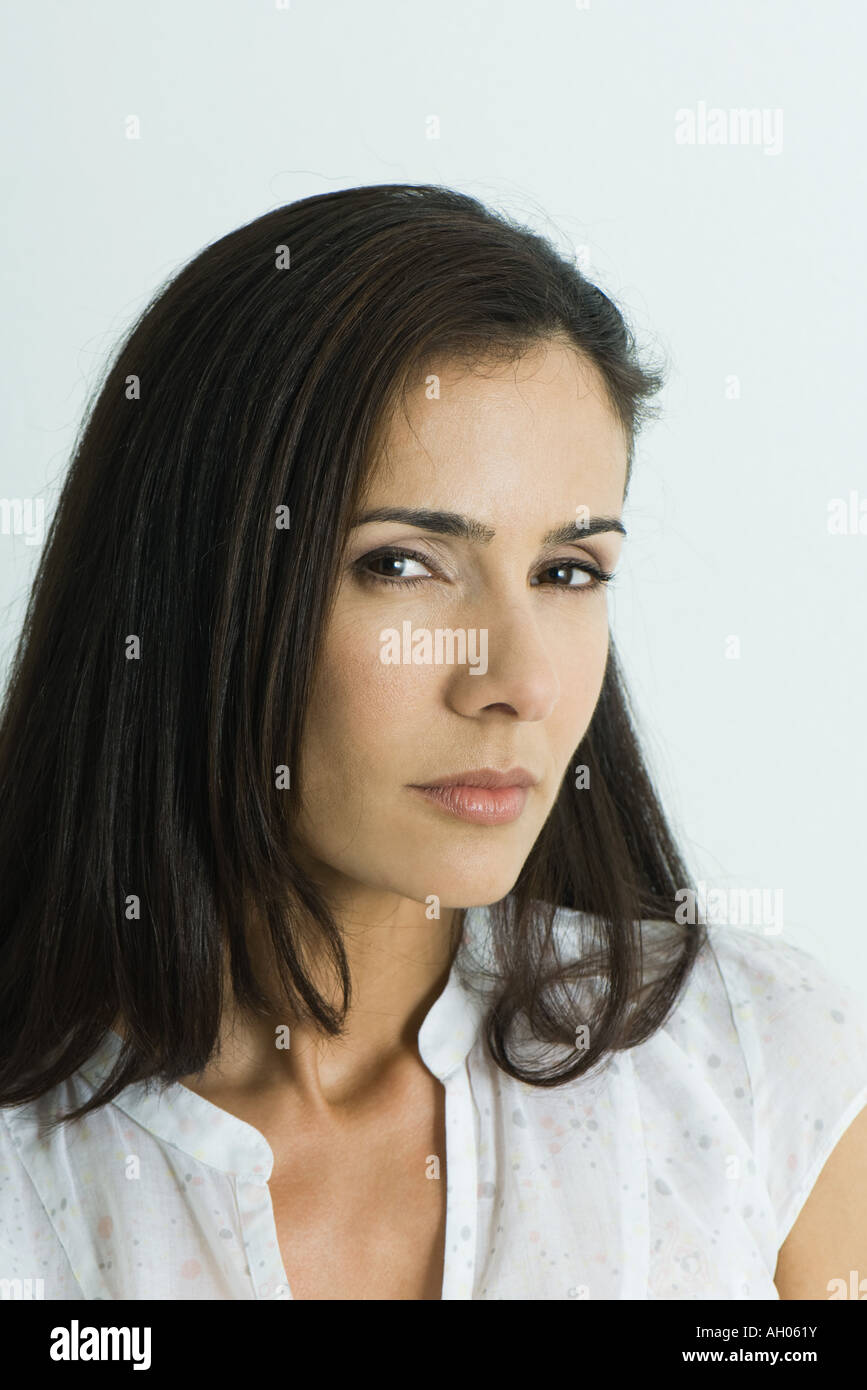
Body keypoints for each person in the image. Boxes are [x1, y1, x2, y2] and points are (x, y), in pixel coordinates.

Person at [1, 185, 865, 1301]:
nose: (519, 680)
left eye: (568, 572)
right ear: (193, 585)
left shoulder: (757, 1073)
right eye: (403, 564)